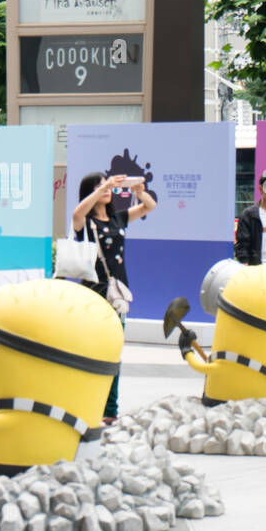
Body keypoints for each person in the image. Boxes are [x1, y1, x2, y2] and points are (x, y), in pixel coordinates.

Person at [71, 171, 156, 423]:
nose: (106, 189)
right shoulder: (84, 221)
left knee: (113, 349)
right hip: (92, 290)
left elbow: (150, 206)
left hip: (117, 292)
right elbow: (76, 214)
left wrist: (139, 191)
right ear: (91, 191)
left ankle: (109, 411)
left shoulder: (119, 217)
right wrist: (104, 186)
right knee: (89, 349)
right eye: (98, 186)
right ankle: (85, 403)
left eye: (107, 186)